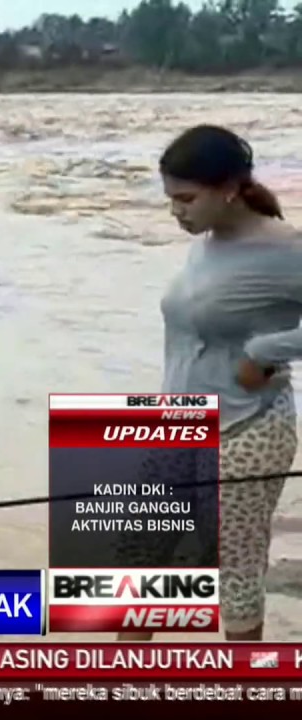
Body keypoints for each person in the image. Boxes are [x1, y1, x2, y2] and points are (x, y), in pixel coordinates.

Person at [119, 125, 302, 642]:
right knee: (139, 566)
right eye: (170, 200)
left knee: (234, 578)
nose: (177, 211)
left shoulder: (285, 249)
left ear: (228, 188)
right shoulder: (206, 240)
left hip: (246, 429)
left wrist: (266, 353)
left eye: (186, 198)